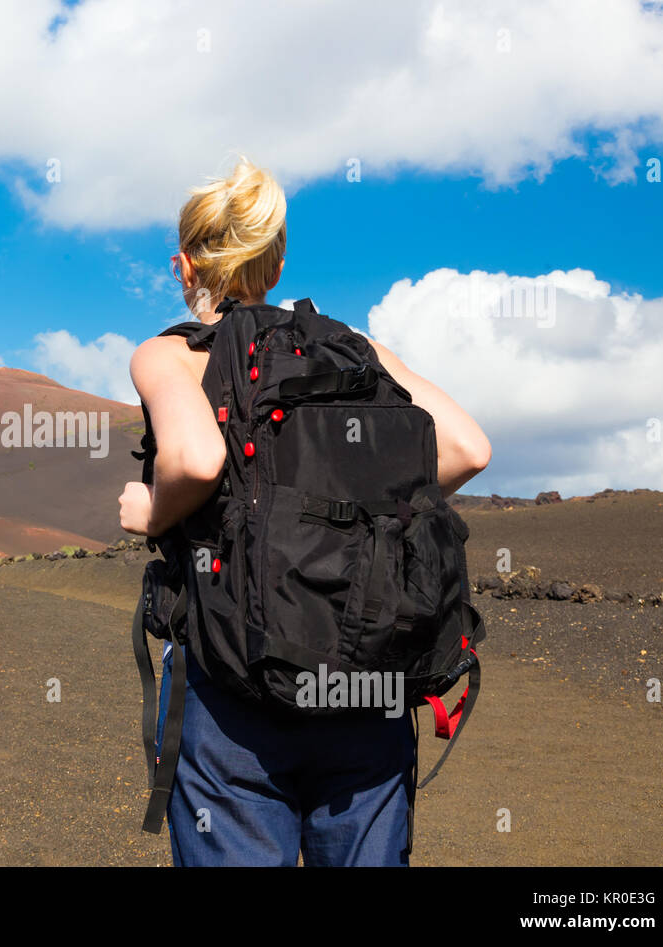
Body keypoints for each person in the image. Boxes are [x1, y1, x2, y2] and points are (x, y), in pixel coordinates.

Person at [118, 157, 492, 866]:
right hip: (368, 678)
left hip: (232, 691)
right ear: (278, 262)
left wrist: (153, 511)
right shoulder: (354, 350)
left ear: (184, 264)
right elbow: (468, 448)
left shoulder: (170, 355)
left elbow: (196, 460)